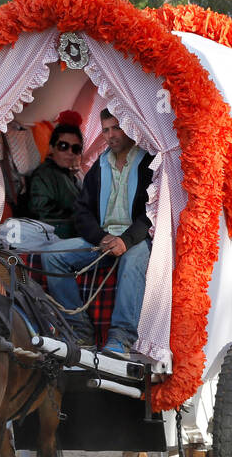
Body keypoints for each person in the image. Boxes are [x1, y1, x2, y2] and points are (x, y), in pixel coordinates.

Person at [41, 109, 154, 355]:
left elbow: (151, 212)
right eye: (105, 130)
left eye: (116, 127)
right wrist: (101, 237)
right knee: (52, 255)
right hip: (103, 239)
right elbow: (81, 211)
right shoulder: (99, 166)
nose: (111, 135)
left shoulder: (148, 161)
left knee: (133, 261)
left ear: (130, 126)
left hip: (137, 239)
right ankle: (79, 331)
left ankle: (120, 338)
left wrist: (126, 240)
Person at [24, 115, 84, 238]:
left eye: (76, 148)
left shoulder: (70, 176)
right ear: (52, 148)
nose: (70, 152)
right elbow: (42, 212)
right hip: (56, 237)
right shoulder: (44, 174)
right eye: (63, 146)